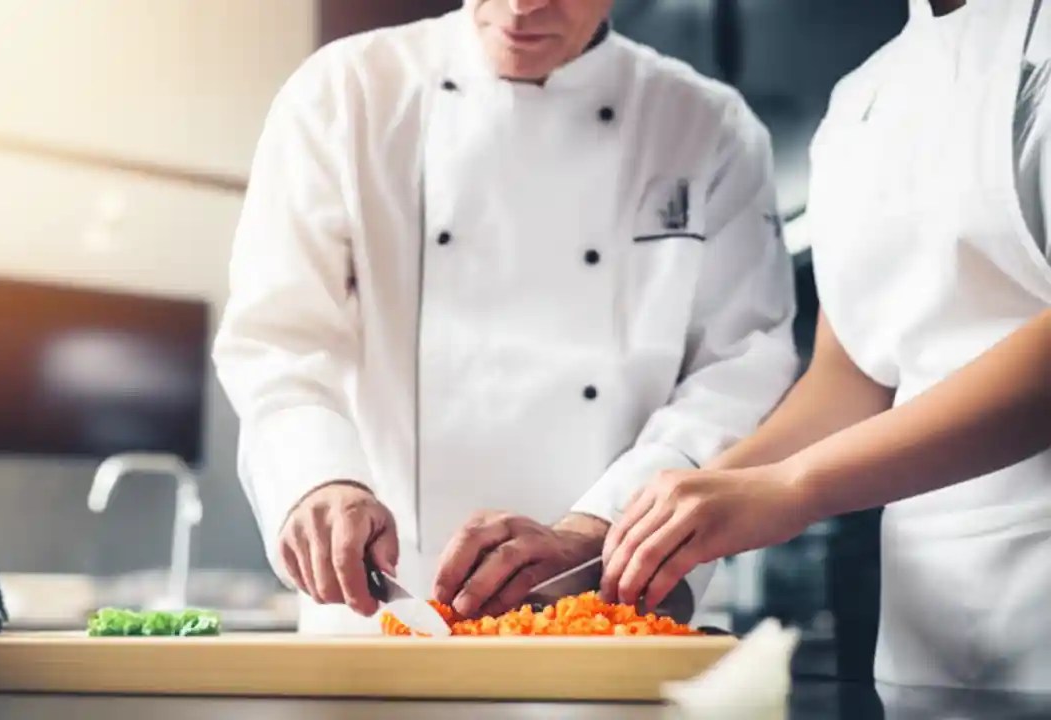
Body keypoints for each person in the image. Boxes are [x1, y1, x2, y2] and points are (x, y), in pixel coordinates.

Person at [213, 0, 798, 634]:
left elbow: (742, 367)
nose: (522, 6)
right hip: (380, 609)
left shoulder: (710, 127)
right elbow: (278, 335)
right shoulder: (346, 90)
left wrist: (608, 523)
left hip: (604, 604)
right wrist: (317, 477)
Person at [601, 0, 1051, 691]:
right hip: (928, 656)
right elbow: (850, 379)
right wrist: (655, 522)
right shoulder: (860, 99)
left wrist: (795, 486)